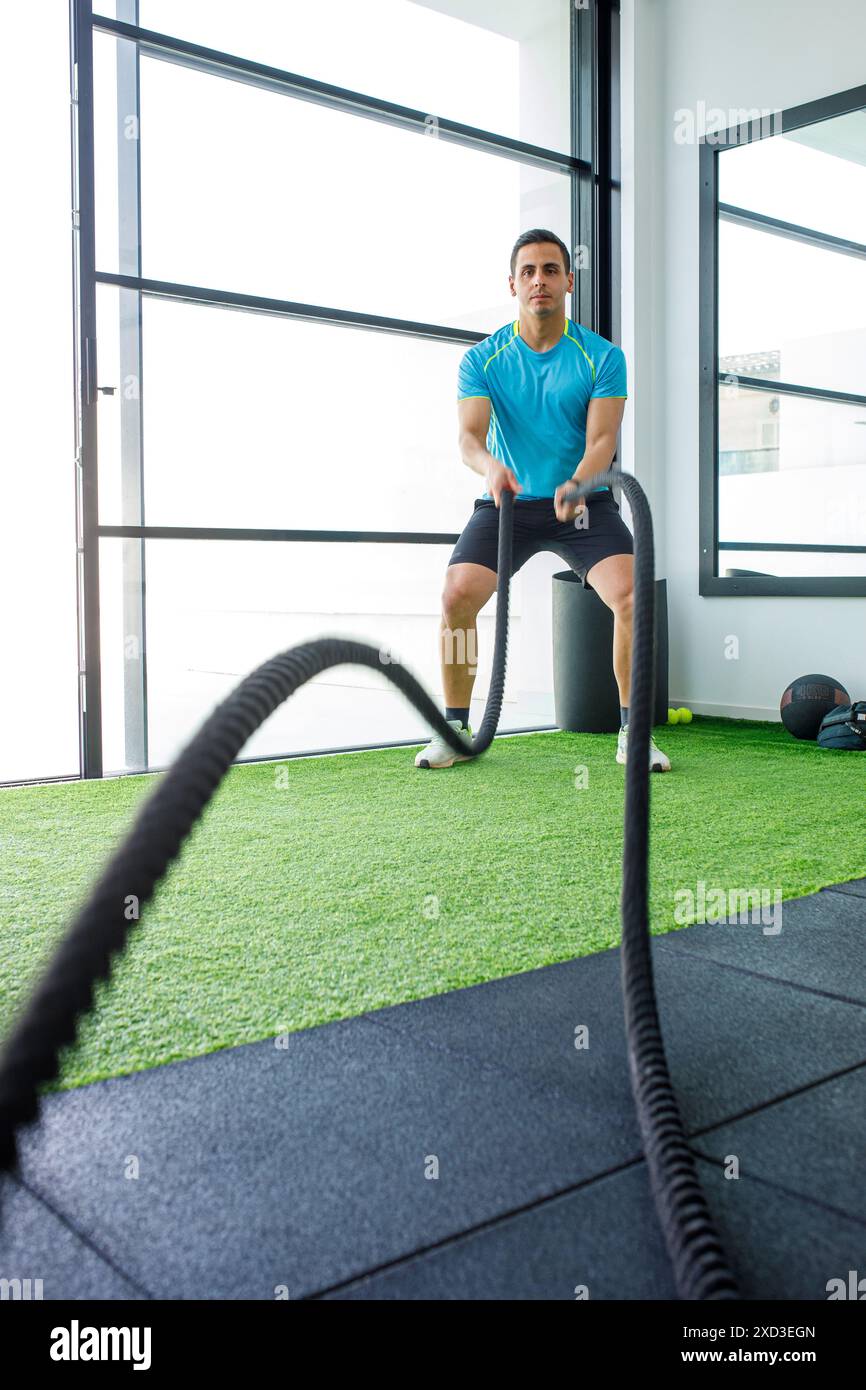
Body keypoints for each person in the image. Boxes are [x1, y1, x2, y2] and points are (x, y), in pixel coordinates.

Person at [415, 227, 670, 772]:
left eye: (550, 270)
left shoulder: (601, 357)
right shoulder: (483, 359)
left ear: (568, 281)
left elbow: (603, 440)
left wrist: (578, 484)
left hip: (583, 501)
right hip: (508, 502)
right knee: (456, 595)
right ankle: (455, 727)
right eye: (528, 272)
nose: (539, 281)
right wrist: (490, 468)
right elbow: (469, 439)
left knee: (632, 596)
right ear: (513, 284)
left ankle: (635, 734)